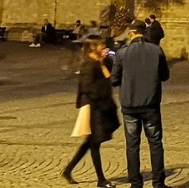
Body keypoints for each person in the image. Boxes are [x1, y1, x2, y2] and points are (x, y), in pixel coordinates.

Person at [111, 19, 170, 188]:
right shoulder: (156, 50)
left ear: (131, 33)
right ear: (144, 32)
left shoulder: (122, 53)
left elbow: (114, 80)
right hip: (150, 103)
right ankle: (158, 182)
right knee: (156, 143)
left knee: (132, 145)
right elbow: (165, 76)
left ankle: (136, 183)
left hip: (130, 104)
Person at [62, 35, 120, 186]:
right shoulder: (88, 65)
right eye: (100, 44)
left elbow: (111, 78)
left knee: (90, 143)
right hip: (94, 107)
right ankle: (101, 180)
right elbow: (87, 87)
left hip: (102, 105)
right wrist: (99, 98)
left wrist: (103, 62)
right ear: (93, 47)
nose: (103, 46)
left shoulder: (100, 61)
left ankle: (68, 170)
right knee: (95, 142)